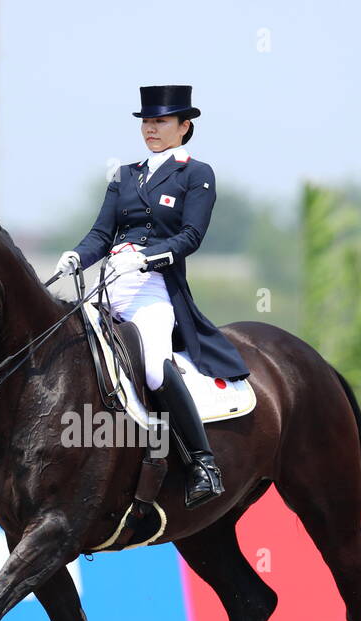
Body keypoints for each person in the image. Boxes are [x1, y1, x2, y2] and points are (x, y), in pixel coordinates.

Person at [55, 85, 249, 509]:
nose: (152, 129)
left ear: (184, 127)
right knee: (66, 350)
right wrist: (77, 256)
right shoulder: (124, 175)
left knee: (157, 369)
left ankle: (203, 464)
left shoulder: (195, 174)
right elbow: (101, 234)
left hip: (153, 286)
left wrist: (143, 258)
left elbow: (190, 236)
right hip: (108, 285)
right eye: (147, 122)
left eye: (161, 121)